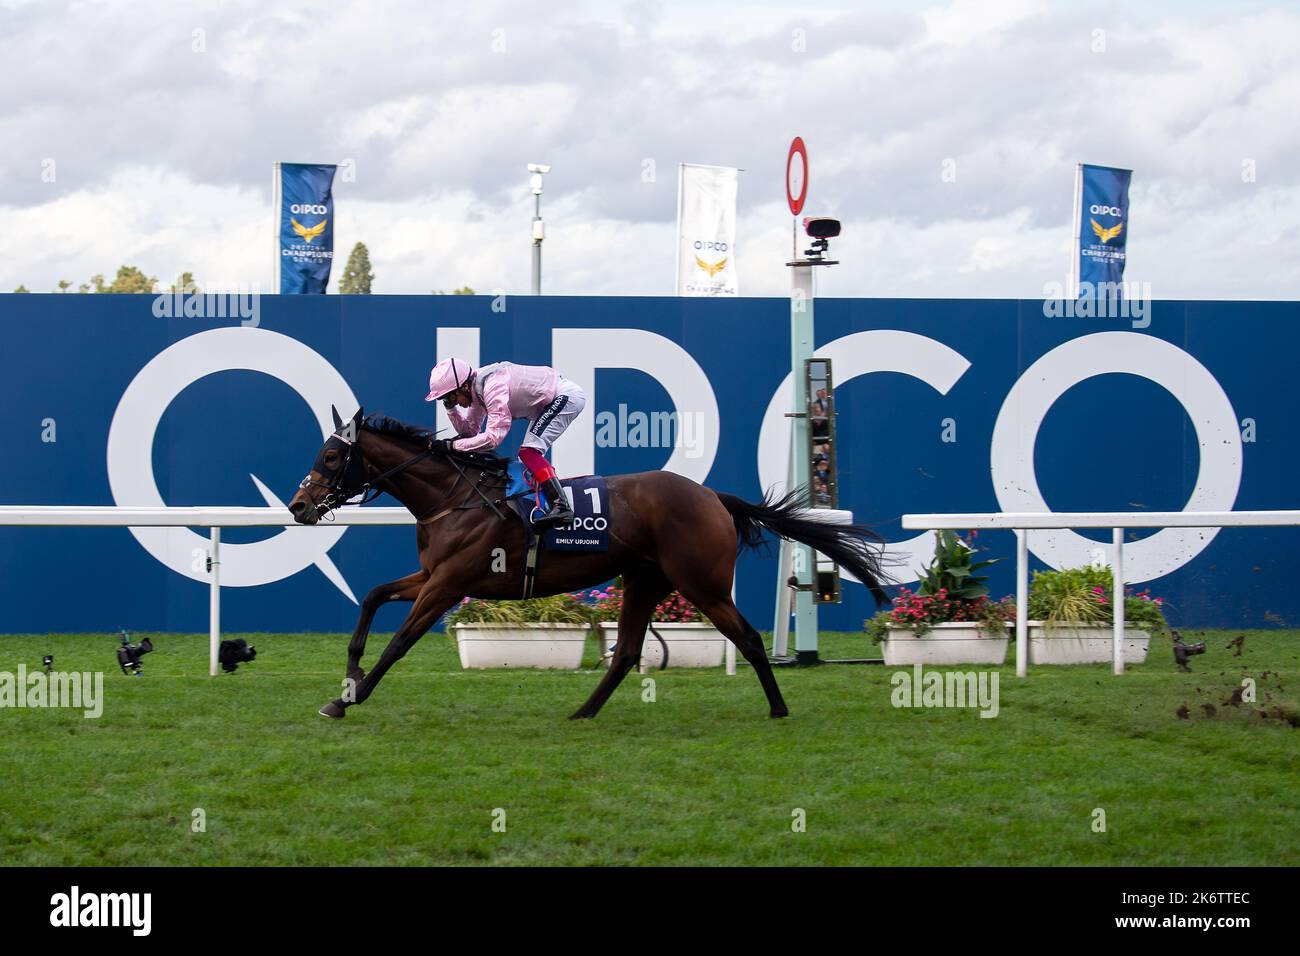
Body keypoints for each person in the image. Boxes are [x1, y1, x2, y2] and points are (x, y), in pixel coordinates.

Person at [424, 357, 586, 528]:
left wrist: (452, 446)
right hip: (552, 400)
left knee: (529, 452)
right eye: (446, 400)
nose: (456, 403)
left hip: (564, 396)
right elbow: (469, 433)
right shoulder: (476, 389)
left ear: (464, 386)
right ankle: (554, 503)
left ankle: (561, 505)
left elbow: (494, 438)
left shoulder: (492, 387)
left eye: (451, 397)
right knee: (528, 454)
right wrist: (451, 410)